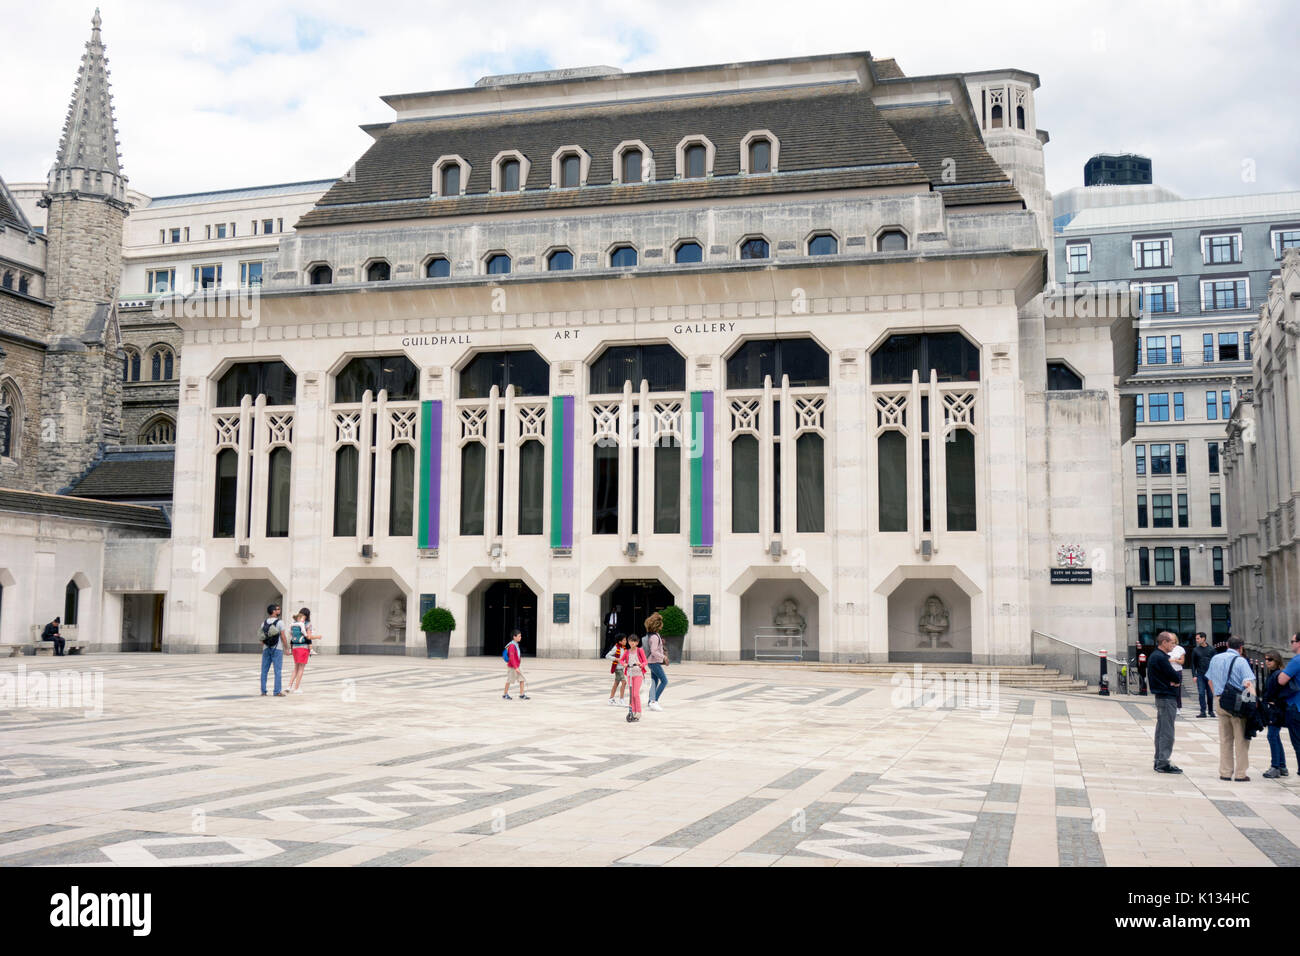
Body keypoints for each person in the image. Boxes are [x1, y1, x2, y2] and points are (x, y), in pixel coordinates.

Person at [1206, 635, 1257, 782]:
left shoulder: (1216, 658)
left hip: (1220, 700)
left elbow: (1209, 679)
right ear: (1241, 648)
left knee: (1225, 738)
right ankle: (1241, 773)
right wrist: (1253, 703)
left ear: (1228, 645)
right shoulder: (1241, 661)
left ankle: (1225, 772)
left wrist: (1216, 695)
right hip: (1238, 703)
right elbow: (1248, 683)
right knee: (1241, 739)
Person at [1148, 631, 1182, 774]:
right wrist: (1173, 681)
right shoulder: (1160, 657)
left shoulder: (1156, 656)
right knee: (1167, 731)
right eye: (1172, 642)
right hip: (1166, 697)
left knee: (1161, 729)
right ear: (1164, 642)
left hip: (1162, 696)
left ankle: (1159, 759)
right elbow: (1175, 676)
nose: (1173, 645)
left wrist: (1172, 680)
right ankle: (1163, 762)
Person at [1262, 650, 1290, 778]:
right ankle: (1282, 766)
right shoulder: (1273, 674)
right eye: (1266, 659)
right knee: (1275, 736)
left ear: (1277, 661)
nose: (1267, 662)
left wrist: (1276, 703)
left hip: (1277, 710)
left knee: (1272, 736)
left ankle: (1275, 766)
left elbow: (1284, 692)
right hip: (1273, 709)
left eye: (1270, 660)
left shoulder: (1278, 674)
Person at [1274, 632, 1300, 769]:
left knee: (1298, 742)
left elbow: (1281, 679)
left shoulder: (1296, 660)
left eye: (1292, 641)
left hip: (1296, 705)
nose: (1291, 644)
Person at [618, 633, 649, 723]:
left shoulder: (640, 651)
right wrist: (624, 664)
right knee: (631, 695)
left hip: (638, 674)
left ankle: (638, 712)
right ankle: (633, 711)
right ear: (628, 642)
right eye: (631, 641)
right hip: (630, 674)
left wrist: (641, 664)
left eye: (634, 641)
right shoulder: (627, 652)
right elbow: (621, 660)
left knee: (635, 694)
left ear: (637, 642)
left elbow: (645, 661)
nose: (632, 643)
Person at [260, 603, 288, 697]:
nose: (279, 611)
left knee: (264, 671)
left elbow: (261, 637)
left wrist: (266, 645)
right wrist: (286, 648)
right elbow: (283, 636)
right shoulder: (280, 622)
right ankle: (277, 692)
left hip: (266, 649)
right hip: (277, 649)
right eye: (278, 609)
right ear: (273, 611)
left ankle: (263, 691)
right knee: (277, 671)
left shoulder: (264, 623)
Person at [643, 612, 669, 712]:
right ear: (657, 625)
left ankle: (650, 701)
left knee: (655, 681)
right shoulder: (654, 637)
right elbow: (653, 651)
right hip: (654, 662)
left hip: (652, 662)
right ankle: (654, 701)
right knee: (664, 681)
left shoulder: (654, 635)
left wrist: (660, 642)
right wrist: (664, 657)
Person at [286, 608, 314, 695]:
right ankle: (296, 688)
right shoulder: (307, 624)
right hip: (303, 647)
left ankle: (289, 686)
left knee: (296, 667)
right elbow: (308, 637)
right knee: (301, 668)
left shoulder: (294, 623)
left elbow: (290, 635)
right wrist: (311, 648)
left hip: (295, 647)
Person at [1191, 632, 1216, 718]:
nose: (1196, 640)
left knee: (1210, 694)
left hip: (1210, 676)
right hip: (1200, 675)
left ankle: (1211, 711)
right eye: (1196, 638)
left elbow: (1215, 662)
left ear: (1203, 638)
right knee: (1201, 693)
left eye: (1198, 638)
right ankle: (1202, 712)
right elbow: (1193, 664)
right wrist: (1194, 675)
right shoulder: (1195, 650)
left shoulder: (1212, 649)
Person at [502, 629, 529, 701]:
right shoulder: (511, 646)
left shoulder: (516, 644)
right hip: (512, 666)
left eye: (520, 636)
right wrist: (516, 667)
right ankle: (505, 694)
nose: (521, 637)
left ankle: (522, 694)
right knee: (509, 680)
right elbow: (512, 658)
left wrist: (518, 666)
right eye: (519, 636)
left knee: (522, 679)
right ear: (514, 637)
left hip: (517, 665)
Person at [605, 633, 629, 706]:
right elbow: (607, 656)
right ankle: (621, 700)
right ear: (620, 641)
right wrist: (615, 659)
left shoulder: (624, 648)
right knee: (624, 682)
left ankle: (611, 699)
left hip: (621, 668)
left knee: (616, 683)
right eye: (624, 640)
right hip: (618, 668)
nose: (626, 641)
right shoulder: (616, 648)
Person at [1168, 643, 1186, 713]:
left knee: (1177, 690)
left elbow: (1182, 661)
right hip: (1168, 670)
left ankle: (1178, 707)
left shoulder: (1180, 649)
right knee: (1168, 689)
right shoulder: (1166, 648)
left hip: (1177, 670)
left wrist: (1175, 660)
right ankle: (1169, 706)